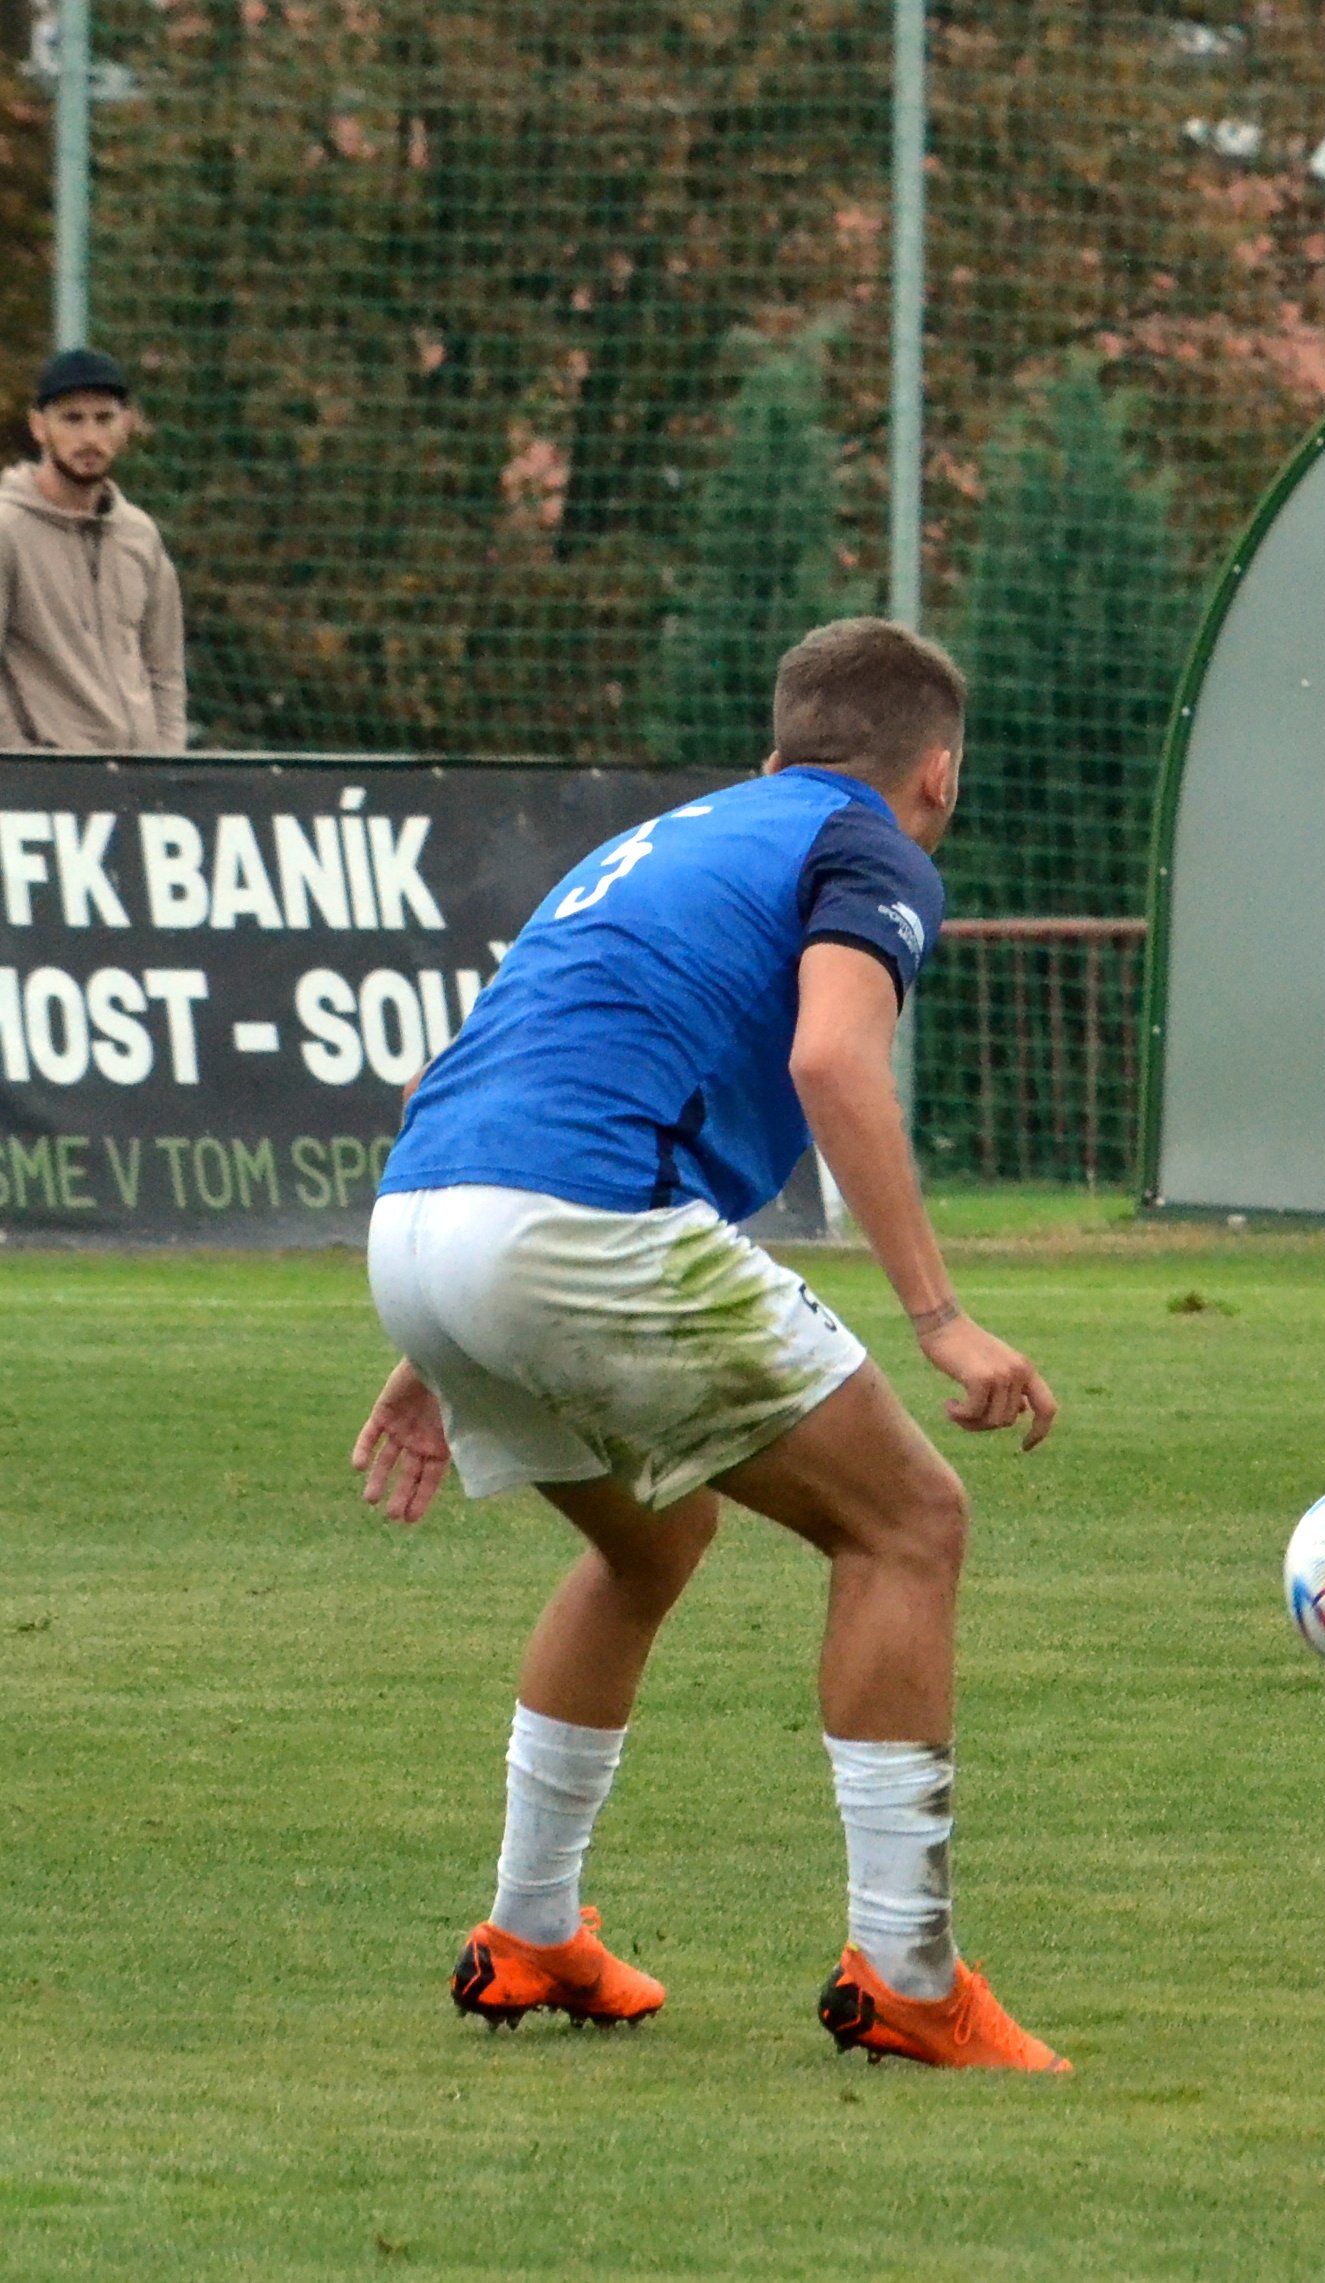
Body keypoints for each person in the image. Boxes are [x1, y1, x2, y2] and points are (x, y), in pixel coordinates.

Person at [346, 619, 1071, 2071]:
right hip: (573, 1225)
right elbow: (829, 1057)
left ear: (773, 748)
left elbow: (480, 1059)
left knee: (649, 1546)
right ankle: (909, 1974)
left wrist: (436, 1337)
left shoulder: (668, 837)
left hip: (420, 1216)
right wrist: (939, 1315)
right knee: (908, 1521)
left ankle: (532, 1929)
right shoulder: (870, 846)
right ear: (936, 772)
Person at [0, 347, 187, 752]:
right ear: (38, 426)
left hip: (138, 787)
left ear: (127, 424)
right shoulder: (7, 531)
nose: (89, 437)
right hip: (44, 791)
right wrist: (23, 764)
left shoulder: (139, 535)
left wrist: (169, 765)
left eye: (104, 419)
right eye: (72, 419)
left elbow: (165, 669)